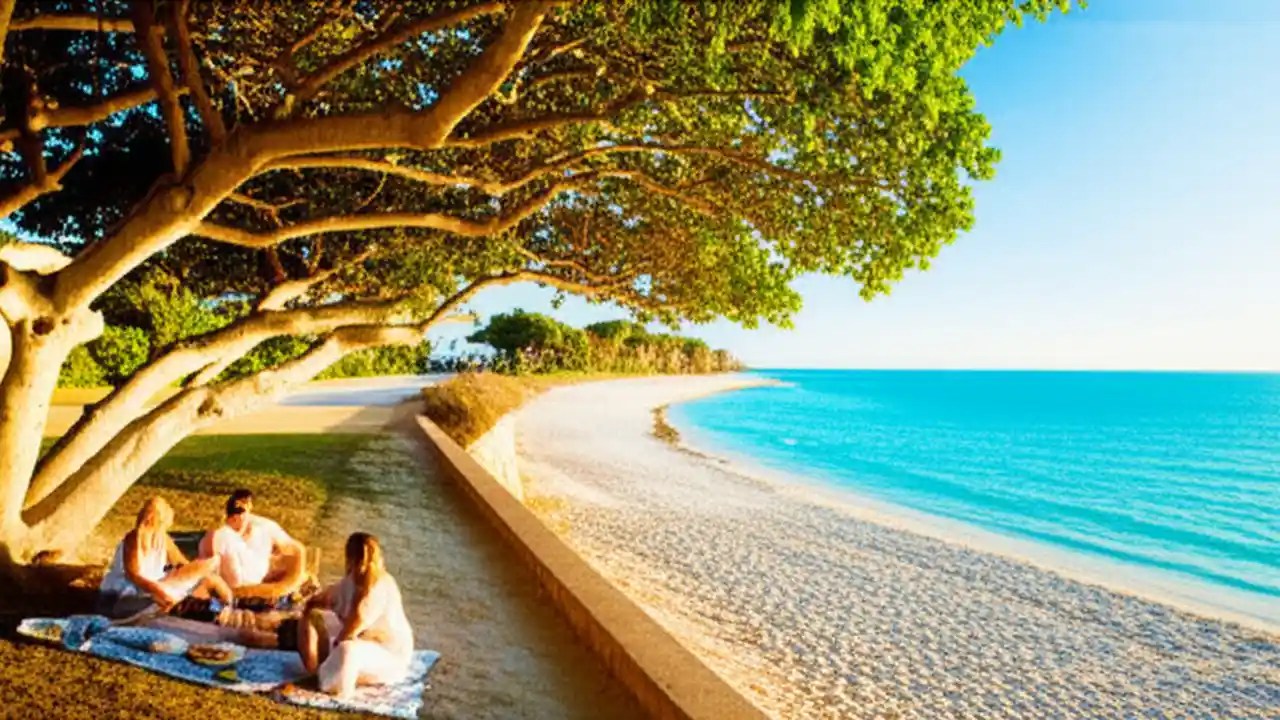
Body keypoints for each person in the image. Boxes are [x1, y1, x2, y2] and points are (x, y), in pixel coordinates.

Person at [297, 532, 413, 697]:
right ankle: (314, 669)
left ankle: (331, 683)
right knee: (313, 616)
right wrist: (311, 601)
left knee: (347, 650)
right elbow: (329, 596)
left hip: (388, 654)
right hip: (361, 643)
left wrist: (334, 648)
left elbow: (351, 629)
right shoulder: (351, 580)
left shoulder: (380, 586)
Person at [100, 496, 231, 616]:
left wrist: (199, 569)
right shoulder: (134, 538)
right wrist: (159, 592)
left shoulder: (163, 538)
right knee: (172, 601)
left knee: (208, 580)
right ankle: (213, 610)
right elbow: (134, 576)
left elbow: (181, 563)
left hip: (156, 586)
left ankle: (225, 607)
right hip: (130, 592)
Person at [199, 489, 305, 593]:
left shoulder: (264, 529)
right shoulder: (225, 536)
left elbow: (297, 550)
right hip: (231, 580)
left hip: (235, 582)